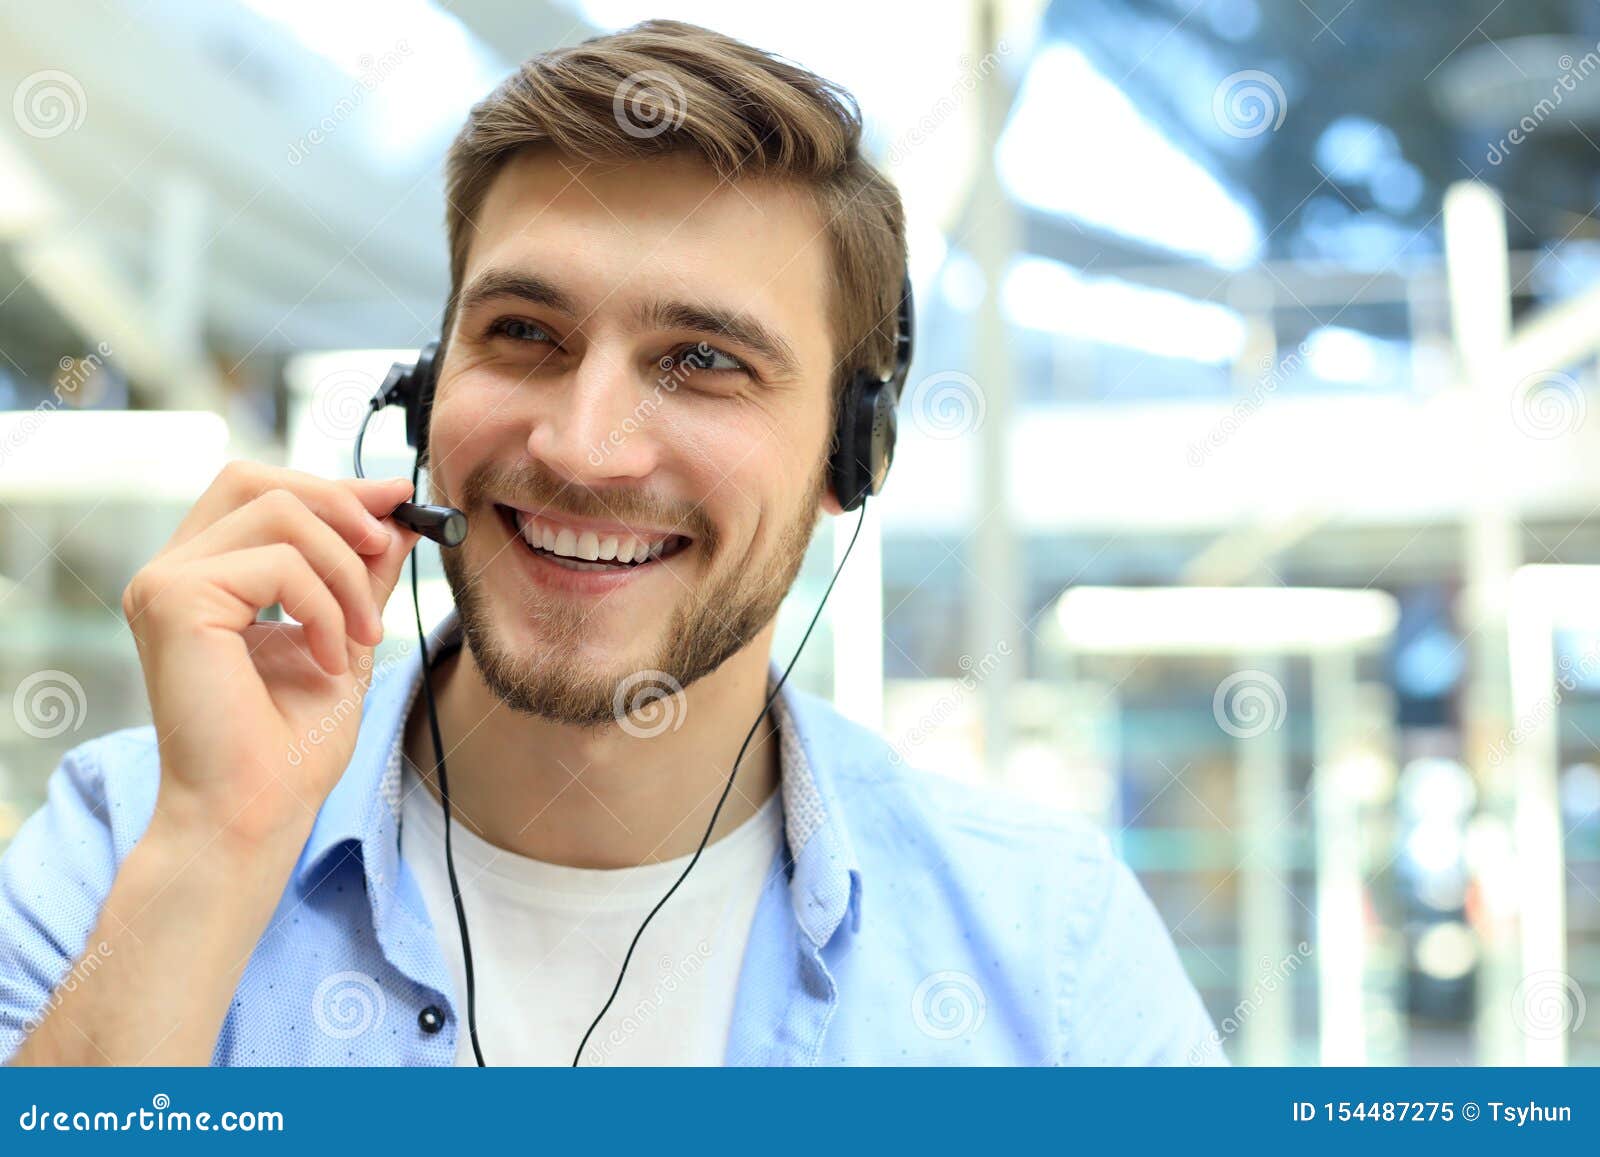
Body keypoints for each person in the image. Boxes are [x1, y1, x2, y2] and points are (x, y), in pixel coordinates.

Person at [0, 19, 1220, 1067]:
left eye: (702, 361)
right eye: (525, 331)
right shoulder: (132, 841)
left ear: (852, 458)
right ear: (427, 394)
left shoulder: (1050, 951)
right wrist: (216, 848)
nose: (585, 447)